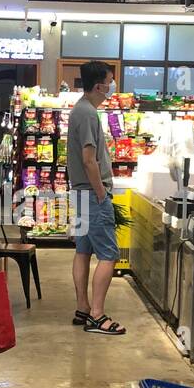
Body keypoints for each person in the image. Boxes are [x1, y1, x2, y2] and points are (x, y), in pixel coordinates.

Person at [68, 61, 124, 335]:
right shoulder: (88, 113)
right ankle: (98, 315)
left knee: (83, 250)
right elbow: (89, 160)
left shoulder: (79, 109)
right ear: (100, 85)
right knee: (109, 254)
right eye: (111, 81)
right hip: (92, 193)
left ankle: (83, 308)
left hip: (79, 193)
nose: (113, 85)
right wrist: (102, 193)